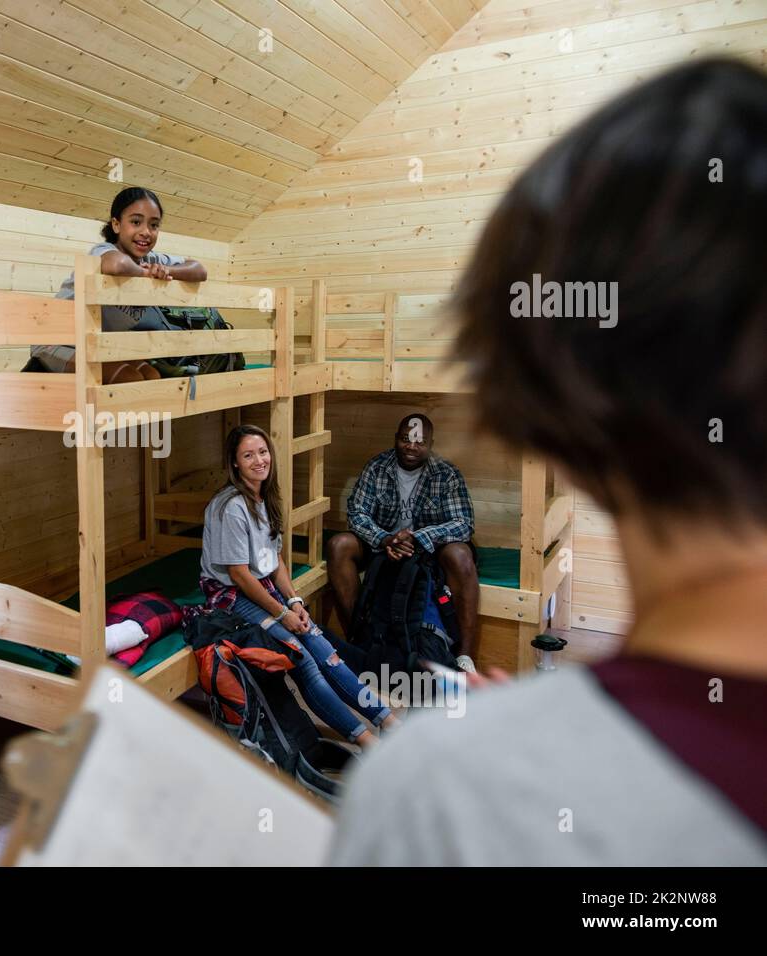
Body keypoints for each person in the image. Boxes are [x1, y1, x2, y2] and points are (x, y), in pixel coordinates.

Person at [330, 58, 767, 865]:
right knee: (347, 546)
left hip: (435, 576)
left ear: (557, 416)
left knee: (454, 551)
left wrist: (514, 748)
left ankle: (446, 649)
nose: (416, 442)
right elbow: (355, 512)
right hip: (399, 570)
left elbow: (460, 520)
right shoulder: (374, 475)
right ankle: (368, 646)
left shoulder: (442, 797)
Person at [201, 424, 398, 748]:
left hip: (262, 584)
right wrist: (281, 614)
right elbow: (239, 575)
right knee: (303, 658)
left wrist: (294, 601)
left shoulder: (265, 496)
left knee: (325, 650)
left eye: (263, 452)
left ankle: (386, 720)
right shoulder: (231, 508)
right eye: (248, 455)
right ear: (235, 463)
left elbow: (275, 560)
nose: (259, 460)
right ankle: (365, 740)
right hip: (231, 594)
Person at [325, 413, 479, 670]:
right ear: (396, 439)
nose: (412, 446)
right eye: (406, 439)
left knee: (461, 555)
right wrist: (385, 538)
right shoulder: (378, 467)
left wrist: (418, 537)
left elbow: (464, 523)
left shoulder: (445, 473)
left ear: (431, 444)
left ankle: (464, 657)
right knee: (339, 545)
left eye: (420, 441)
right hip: (384, 546)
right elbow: (357, 513)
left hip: (429, 553)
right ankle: (359, 638)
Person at [29, 186, 208, 383]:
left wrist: (168, 271)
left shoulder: (153, 259)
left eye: (154, 225)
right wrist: (148, 273)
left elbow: (199, 270)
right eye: (136, 222)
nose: (146, 232)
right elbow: (117, 265)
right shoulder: (104, 250)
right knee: (128, 377)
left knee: (152, 376)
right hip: (57, 344)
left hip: (96, 344)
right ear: (116, 225)